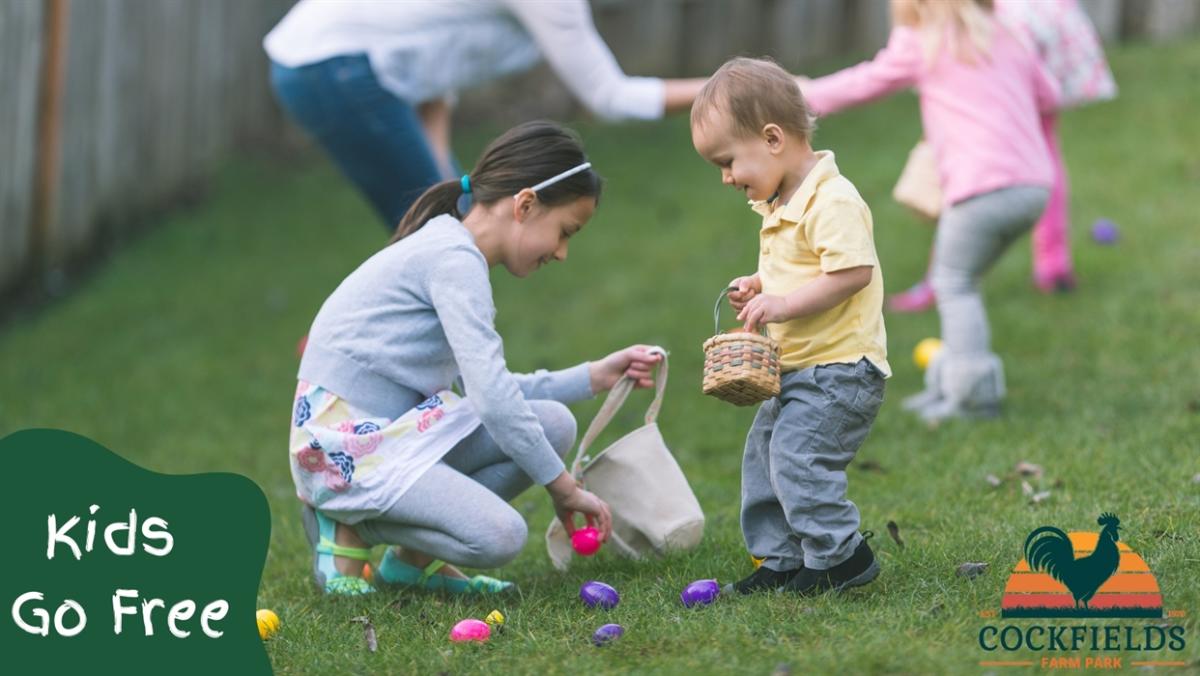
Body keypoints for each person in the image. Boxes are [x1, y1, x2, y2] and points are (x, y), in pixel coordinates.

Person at [288, 121, 663, 595]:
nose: (563, 252)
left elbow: (492, 391)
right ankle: (346, 523)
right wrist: (563, 488)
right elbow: (492, 399)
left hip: (395, 435)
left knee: (553, 425)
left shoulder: (452, 250)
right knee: (501, 536)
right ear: (525, 205)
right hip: (342, 451)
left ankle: (410, 564)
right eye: (565, 231)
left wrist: (593, 376)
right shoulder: (453, 260)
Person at [801, 0, 1059, 422]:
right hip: (1032, 186)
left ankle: (972, 399)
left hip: (981, 190)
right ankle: (948, 384)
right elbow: (1048, 94)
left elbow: (862, 82)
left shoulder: (923, 43)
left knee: (955, 283)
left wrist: (800, 94)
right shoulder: (1009, 34)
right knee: (962, 279)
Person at [691, 58, 890, 596]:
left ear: (773, 138)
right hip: (796, 368)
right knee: (763, 460)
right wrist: (761, 283)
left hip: (841, 369)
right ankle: (780, 559)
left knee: (798, 460)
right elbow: (801, 265)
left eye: (729, 161)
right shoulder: (782, 203)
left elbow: (850, 273)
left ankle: (839, 556)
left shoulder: (833, 200)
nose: (727, 177)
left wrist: (782, 305)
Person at [264, 0, 708, 231]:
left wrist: (437, 167)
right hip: (328, 65)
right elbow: (611, 97)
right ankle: (366, 371)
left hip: (324, 63)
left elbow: (435, 63)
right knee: (445, 236)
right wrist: (734, 85)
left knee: (452, 221)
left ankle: (392, 375)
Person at [885, 0, 1115, 311]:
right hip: (1045, 16)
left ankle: (940, 278)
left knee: (971, 142)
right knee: (1039, 146)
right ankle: (1054, 267)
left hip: (995, 21)